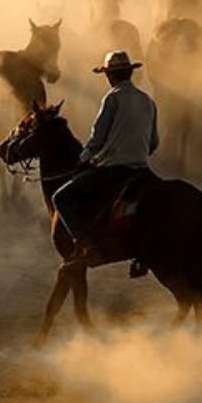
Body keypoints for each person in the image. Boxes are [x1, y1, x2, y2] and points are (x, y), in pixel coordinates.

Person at [53, 50, 159, 266]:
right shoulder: (148, 101)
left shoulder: (112, 98)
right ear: (129, 73)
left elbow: (97, 139)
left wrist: (82, 160)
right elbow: (153, 143)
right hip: (142, 169)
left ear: (110, 76)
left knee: (60, 198)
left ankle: (84, 244)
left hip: (115, 169)